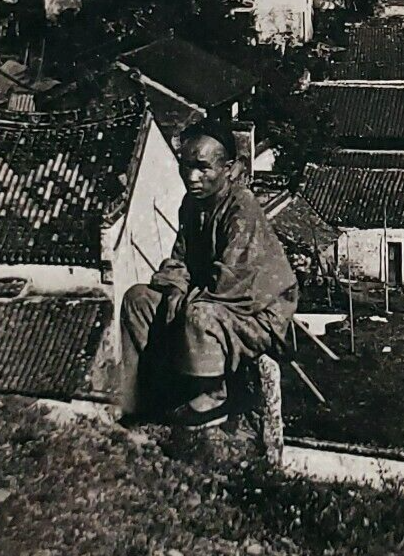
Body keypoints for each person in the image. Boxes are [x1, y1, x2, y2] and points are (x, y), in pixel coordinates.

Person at [120, 120, 298, 429]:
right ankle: (142, 396)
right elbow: (179, 259)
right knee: (138, 300)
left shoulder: (242, 208)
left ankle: (214, 396)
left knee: (198, 314)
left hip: (255, 311)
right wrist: (174, 287)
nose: (192, 176)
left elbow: (232, 282)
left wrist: (185, 298)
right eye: (186, 166)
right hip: (206, 296)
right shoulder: (192, 204)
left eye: (203, 168)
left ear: (229, 168)